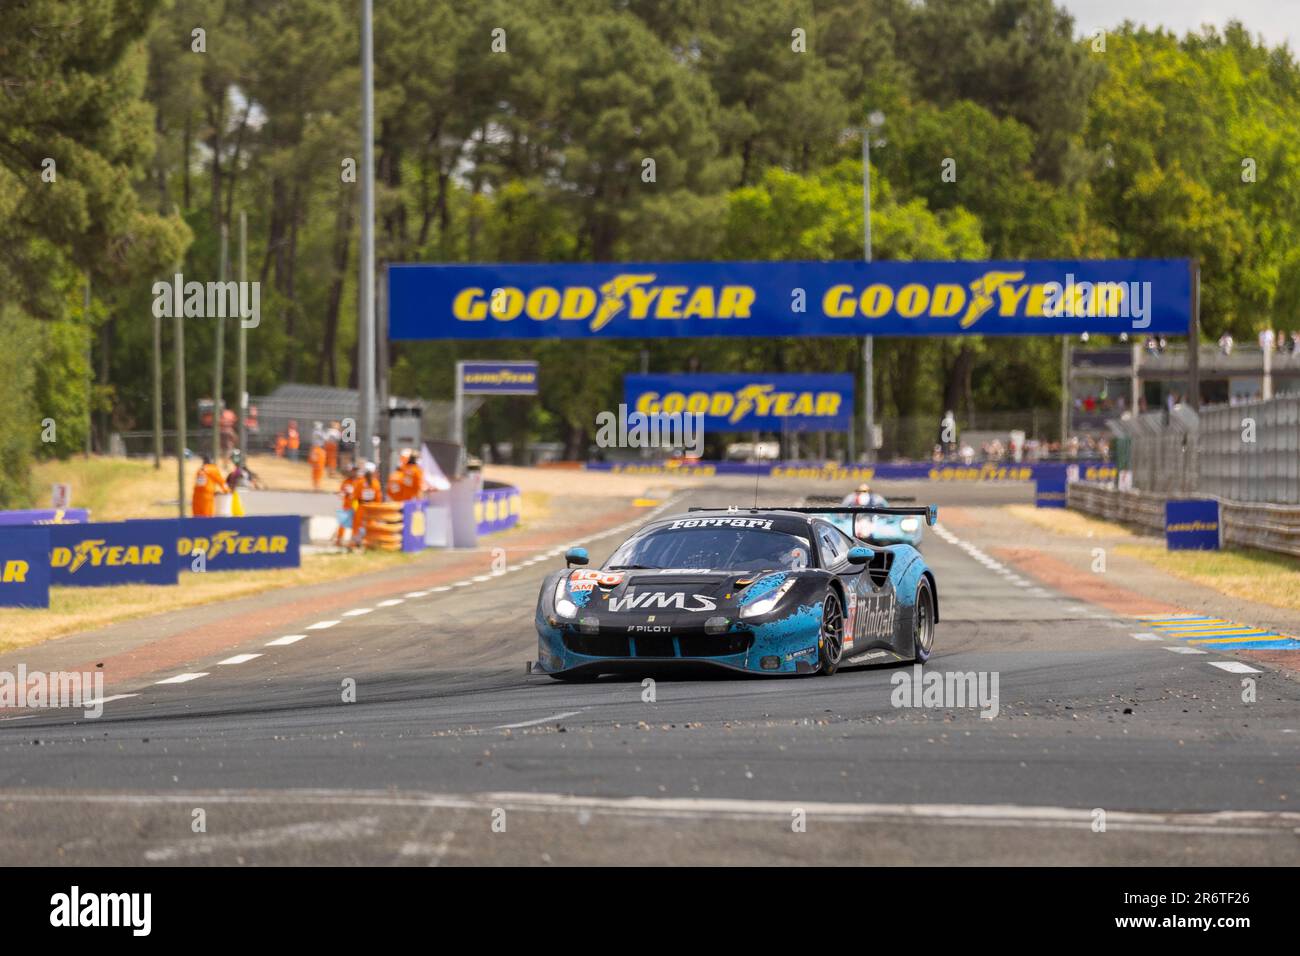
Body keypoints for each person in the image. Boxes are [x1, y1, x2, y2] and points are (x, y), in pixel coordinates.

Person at [335, 465, 362, 547]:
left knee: (356, 523)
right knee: (343, 522)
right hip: (347, 505)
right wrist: (342, 494)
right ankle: (339, 539)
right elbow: (341, 493)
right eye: (353, 471)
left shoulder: (360, 481)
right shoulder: (346, 482)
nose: (354, 472)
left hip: (356, 504)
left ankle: (354, 541)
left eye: (356, 471)